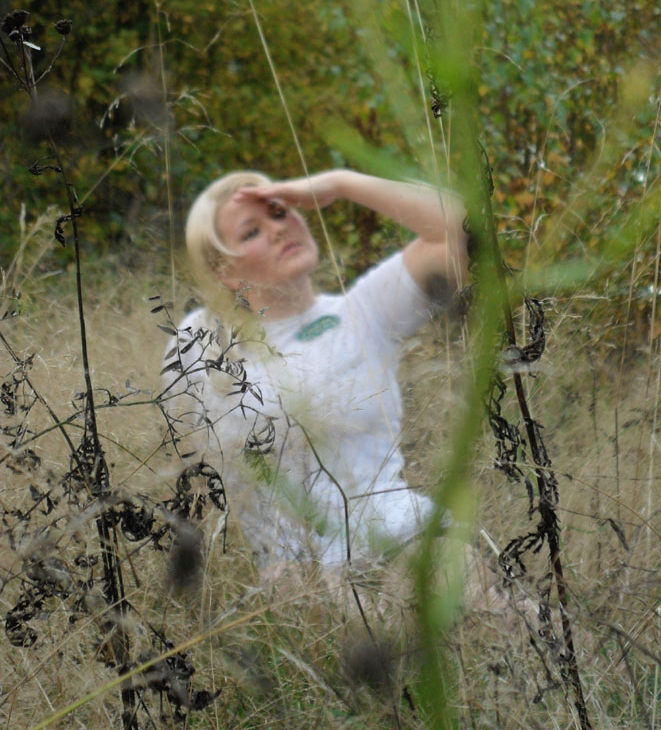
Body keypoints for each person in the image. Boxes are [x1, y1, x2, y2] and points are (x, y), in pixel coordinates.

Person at [162, 169, 468, 569]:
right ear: (227, 272)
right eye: (251, 232)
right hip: (302, 581)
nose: (277, 230)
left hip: (403, 532)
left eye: (279, 212)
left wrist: (342, 184)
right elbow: (191, 463)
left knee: (479, 591)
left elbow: (463, 231)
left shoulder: (365, 311)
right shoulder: (201, 342)